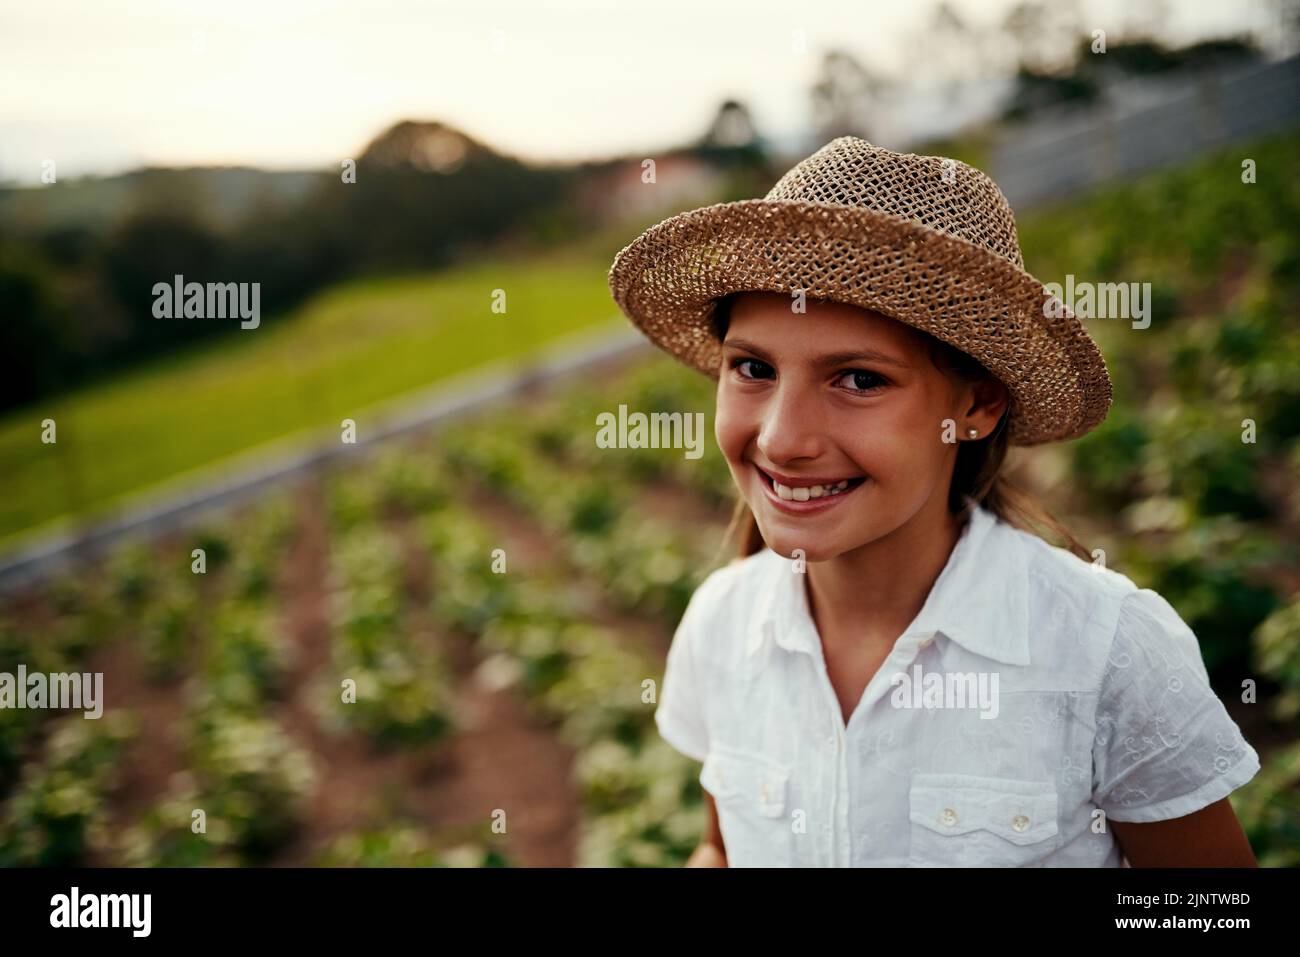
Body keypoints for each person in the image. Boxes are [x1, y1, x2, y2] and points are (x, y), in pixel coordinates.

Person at [607, 136, 1260, 867]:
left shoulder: (1105, 651)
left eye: (858, 379)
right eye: (752, 367)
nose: (784, 438)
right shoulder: (721, 625)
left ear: (977, 403)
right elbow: (719, 848)